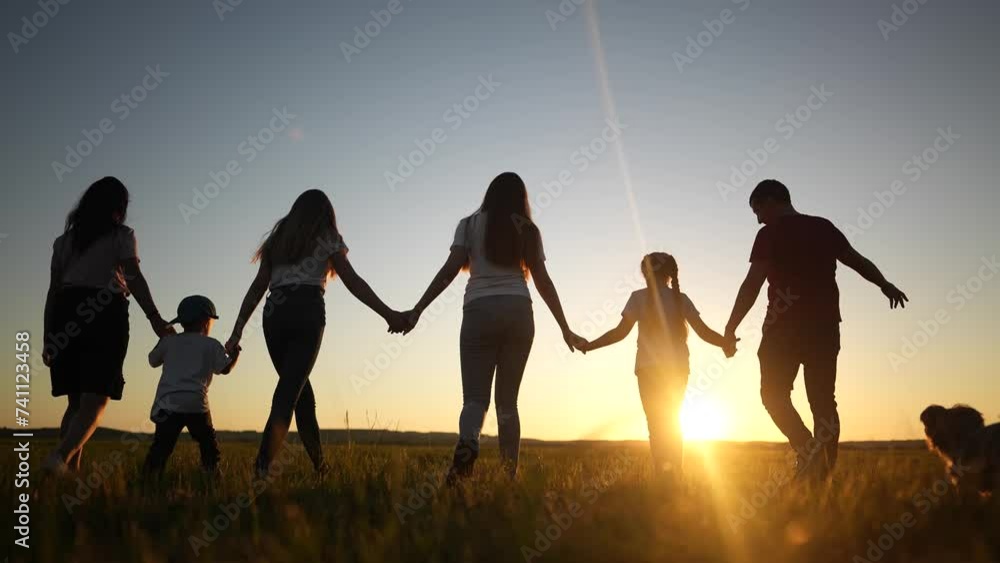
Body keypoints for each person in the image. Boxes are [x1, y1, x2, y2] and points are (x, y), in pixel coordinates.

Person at [403, 172, 587, 482]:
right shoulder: (528, 229)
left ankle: (467, 449)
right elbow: (542, 280)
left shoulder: (469, 224)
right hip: (518, 310)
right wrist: (565, 327)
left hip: (479, 310)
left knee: (474, 399)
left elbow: (450, 270)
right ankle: (508, 478)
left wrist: (418, 309)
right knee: (508, 402)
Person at [724, 179, 908, 479]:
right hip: (824, 327)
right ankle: (823, 473)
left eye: (758, 210)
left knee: (773, 396)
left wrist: (731, 328)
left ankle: (809, 454)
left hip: (782, 328)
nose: (757, 218)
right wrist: (883, 284)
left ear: (772, 200)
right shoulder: (823, 227)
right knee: (823, 401)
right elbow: (857, 261)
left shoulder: (768, 234)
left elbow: (752, 284)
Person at [225, 189, 408, 478]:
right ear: (326, 214)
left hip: (275, 313)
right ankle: (261, 469)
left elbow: (258, 287)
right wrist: (388, 313)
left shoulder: (278, 239)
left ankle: (320, 468)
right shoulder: (327, 236)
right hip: (307, 310)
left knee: (300, 394)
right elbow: (351, 280)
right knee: (288, 392)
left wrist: (236, 333)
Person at [42, 177, 173, 475]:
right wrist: (155, 318)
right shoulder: (121, 236)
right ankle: (60, 457)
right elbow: (134, 277)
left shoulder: (63, 243)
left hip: (65, 312)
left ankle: (69, 478)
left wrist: (49, 336)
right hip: (103, 311)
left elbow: (53, 291)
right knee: (98, 396)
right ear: (118, 208)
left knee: (75, 401)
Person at [578, 253, 736, 479]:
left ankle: (663, 475)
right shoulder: (681, 299)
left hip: (647, 369)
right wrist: (726, 343)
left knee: (655, 423)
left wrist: (590, 345)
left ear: (645, 273)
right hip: (677, 369)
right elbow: (703, 332)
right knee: (673, 420)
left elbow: (619, 333)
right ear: (670, 274)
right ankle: (675, 476)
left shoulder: (637, 298)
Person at [143, 296, 240, 477]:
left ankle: (150, 476)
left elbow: (152, 360)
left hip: (168, 405)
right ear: (205, 321)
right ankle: (211, 473)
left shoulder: (169, 341)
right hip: (197, 404)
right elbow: (224, 369)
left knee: (162, 446)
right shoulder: (211, 345)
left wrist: (162, 339)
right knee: (207, 443)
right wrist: (234, 356)